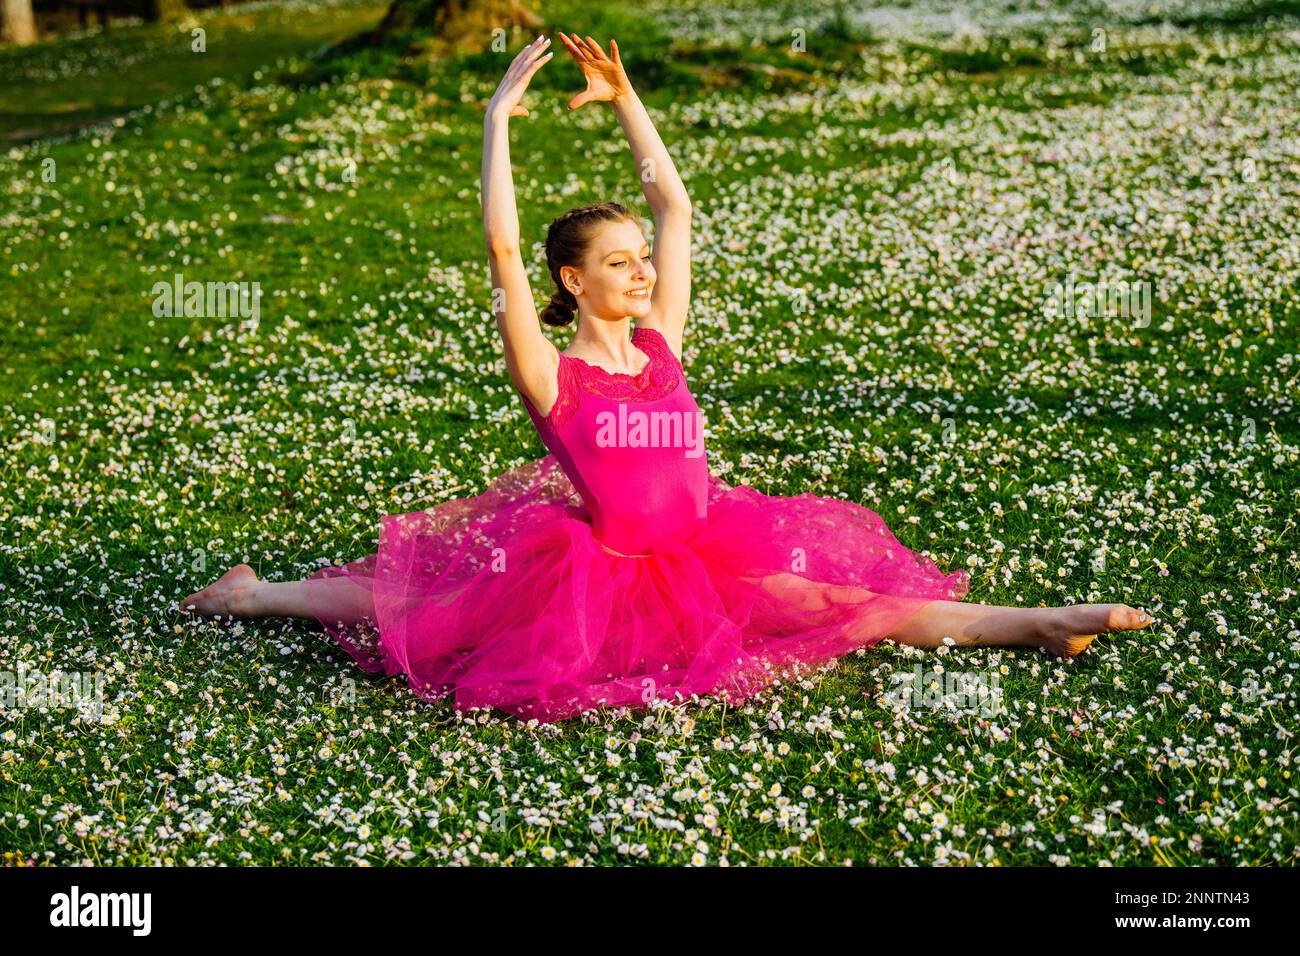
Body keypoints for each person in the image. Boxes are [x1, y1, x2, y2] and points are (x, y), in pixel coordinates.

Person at [181, 33, 1153, 723]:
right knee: (422, 609)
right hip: (596, 573)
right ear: (574, 280)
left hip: (708, 544)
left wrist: (626, 100)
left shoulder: (660, 341)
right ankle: (253, 593)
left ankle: (1040, 622)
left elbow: (675, 207)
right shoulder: (550, 372)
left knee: (847, 610)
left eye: (640, 258)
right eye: (619, 261)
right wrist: (495, 120)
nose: (642, 268)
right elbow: (501, 244)